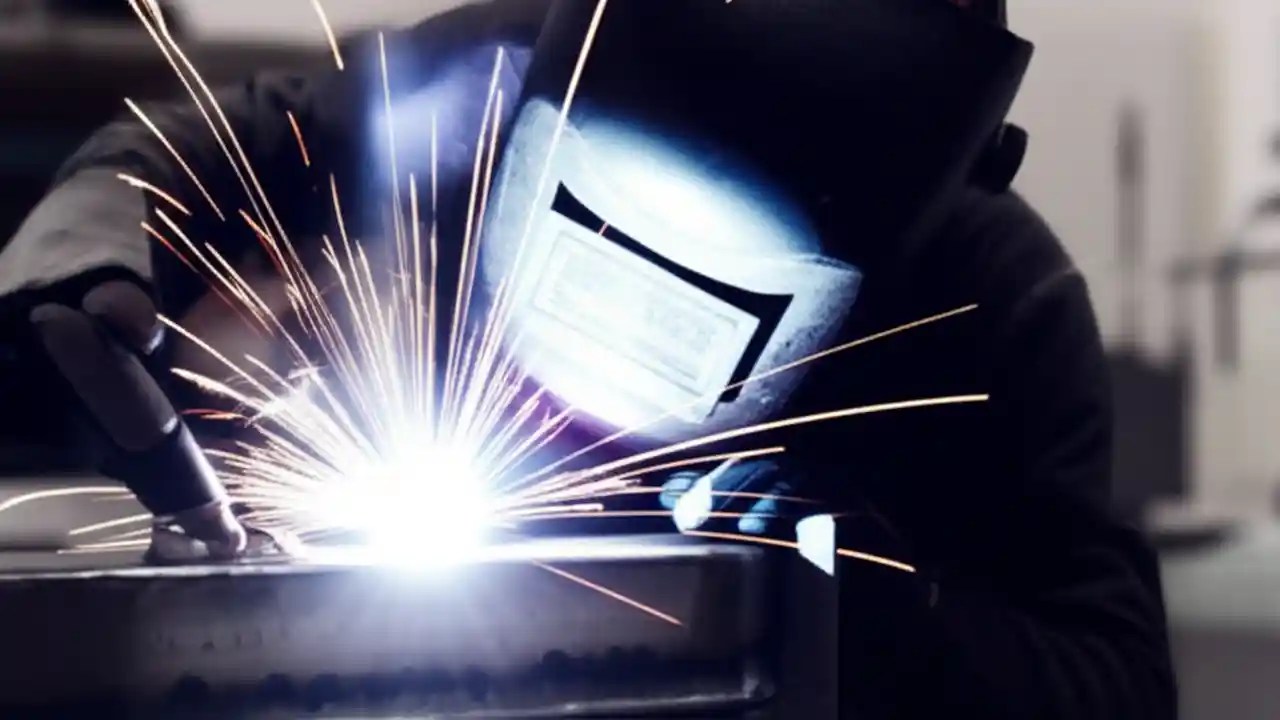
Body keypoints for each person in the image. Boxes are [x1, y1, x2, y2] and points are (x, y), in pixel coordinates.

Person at [0, 0, 1176, 717]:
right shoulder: (491, 76)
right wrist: (104, 204)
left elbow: (1112, 688)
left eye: (703, 303)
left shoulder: (988, 298)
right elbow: (218, 145)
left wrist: (865, 606)